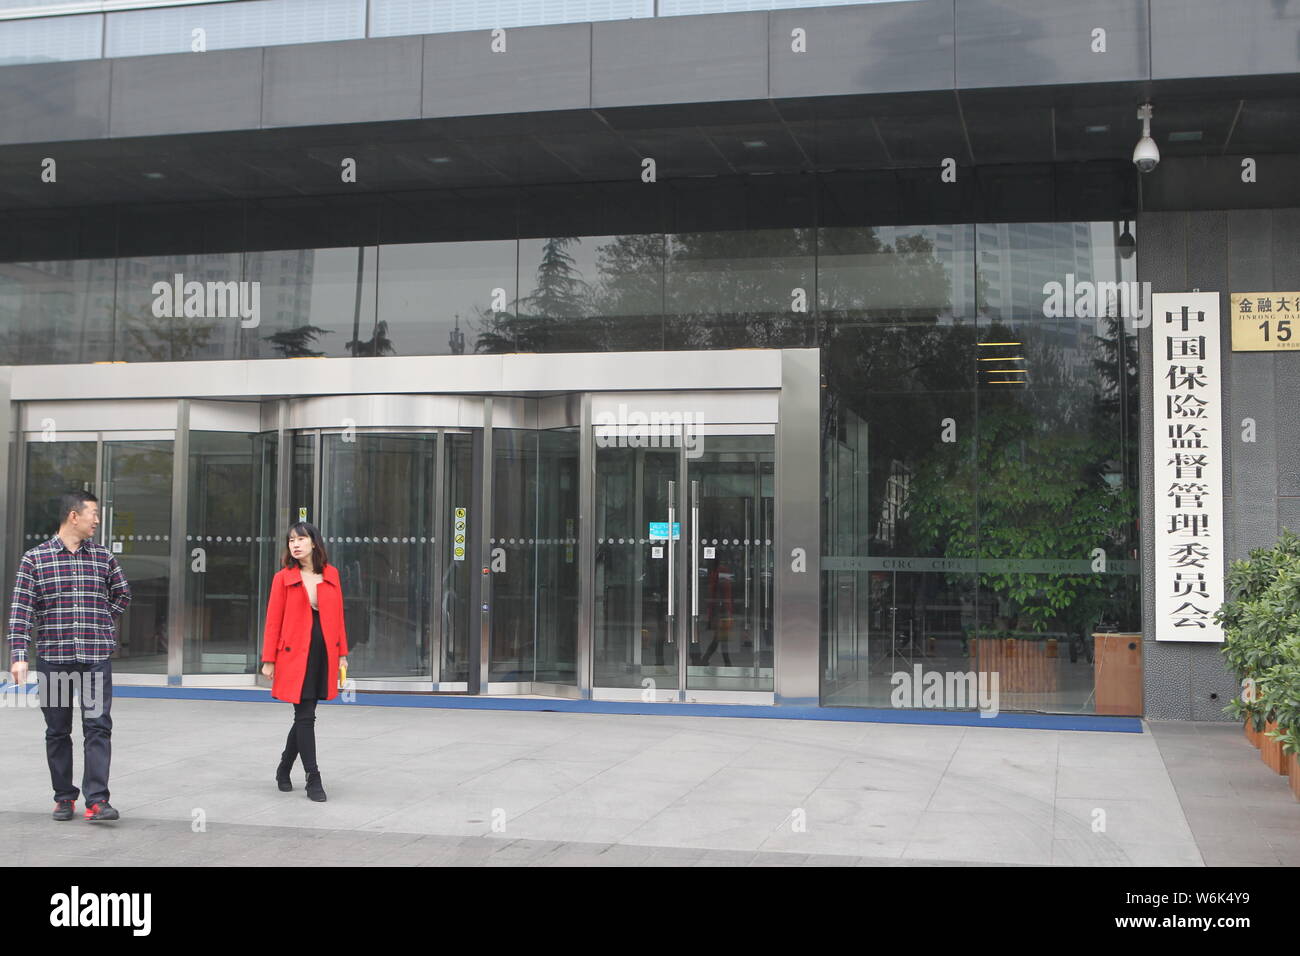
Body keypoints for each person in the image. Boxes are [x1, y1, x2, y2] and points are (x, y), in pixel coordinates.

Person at [7, 490, 131, 823]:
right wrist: (19, 654)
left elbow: (122, 593)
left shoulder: (102, 557)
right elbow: (21, 610)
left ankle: (97, 800)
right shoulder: (36, 558)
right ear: (73, 516)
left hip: (94, 657)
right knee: (58, 730)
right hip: (55, 658)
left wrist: (103, 620)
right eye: (93, 513)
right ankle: (64, 797)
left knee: (97, 727)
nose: (97, 520)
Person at [260, 522, 348, 802]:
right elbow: (273, 620)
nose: (295, 545)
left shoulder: (331, 574)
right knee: (306, 716)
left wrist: (343, 654)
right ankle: (314, 778)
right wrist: (268, 659)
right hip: (294, 655)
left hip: (324, 653)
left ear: (314, 543)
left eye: (300, 539)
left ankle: (284, 767)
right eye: (291, 541)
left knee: (304, 716)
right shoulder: (283, 578)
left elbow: (339, 618)